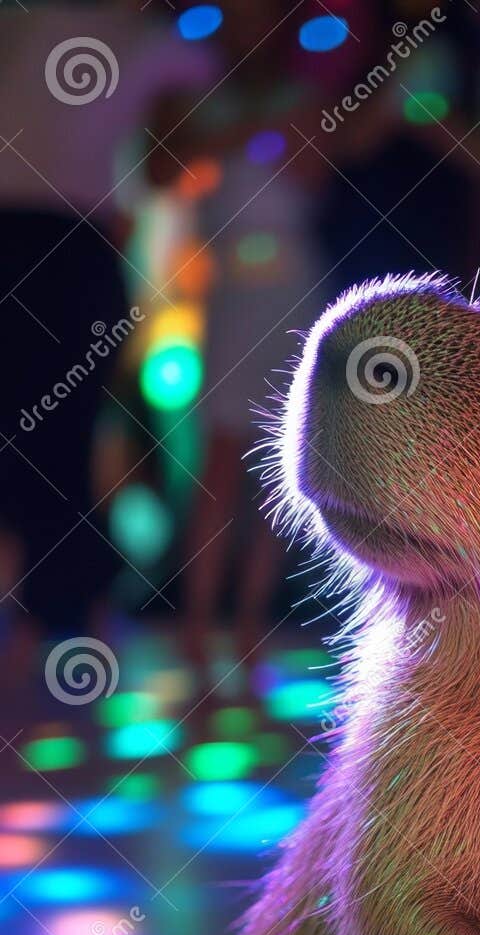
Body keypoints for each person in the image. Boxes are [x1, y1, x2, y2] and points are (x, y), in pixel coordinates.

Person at [0, 0, 212, 671]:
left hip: (74, 244)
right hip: (46, 240)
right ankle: (54, 609)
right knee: (53, 432)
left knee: (64, 432)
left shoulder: (159, 43)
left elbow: (164, 163)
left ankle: (58, 610)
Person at [150, 0, 324, 688]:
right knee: (216, 463)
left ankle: (253, 618)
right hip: (227, 296)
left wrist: (271, 132)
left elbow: (314, 173)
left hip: (292, 288)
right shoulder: (191, 100)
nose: (252, 23)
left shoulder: (305, 98)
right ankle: (197, 622)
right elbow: (162, 171)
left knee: (280, 465)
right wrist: (249, 130)